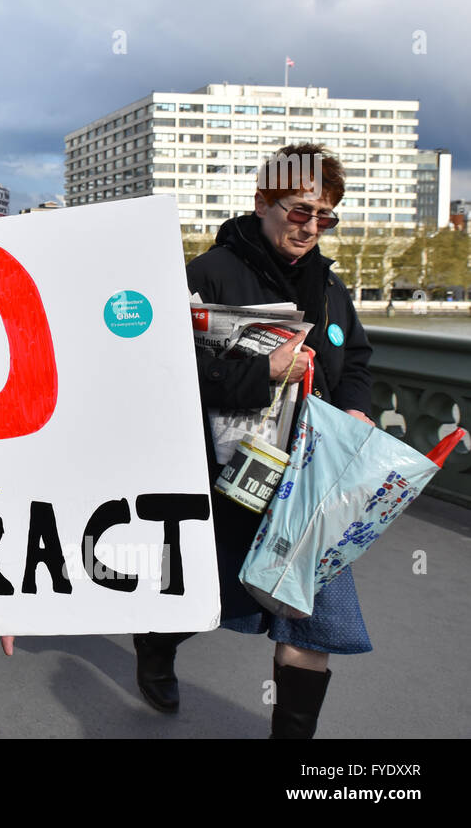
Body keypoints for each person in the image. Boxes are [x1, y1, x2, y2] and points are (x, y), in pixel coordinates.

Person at [131, 143, 372, 739]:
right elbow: (160, 371)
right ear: (263, 202)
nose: (311, 227)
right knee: (210, 593)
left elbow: (358, 361)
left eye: (325, 217)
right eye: (299, 210)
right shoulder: (208, 274)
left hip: (309, 482)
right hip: (223, 474)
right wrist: (262, 375)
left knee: (309, 623)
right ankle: (158, 641)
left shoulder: (330, 287)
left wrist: (359, 410)